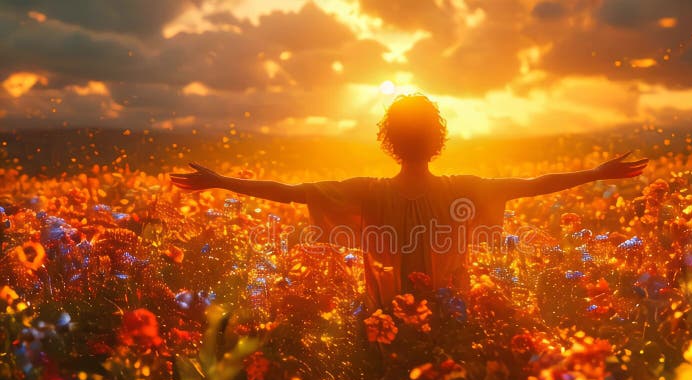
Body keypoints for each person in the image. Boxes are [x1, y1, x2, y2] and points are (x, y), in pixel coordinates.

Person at [170, 94, 648, 311]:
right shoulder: (463, 187)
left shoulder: (368, 190)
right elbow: (535, 182)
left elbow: (291, 193)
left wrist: (222, 181)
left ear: (389, 142)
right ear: (437, 141)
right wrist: (596, 173)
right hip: (450, 313)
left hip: (383, 315)